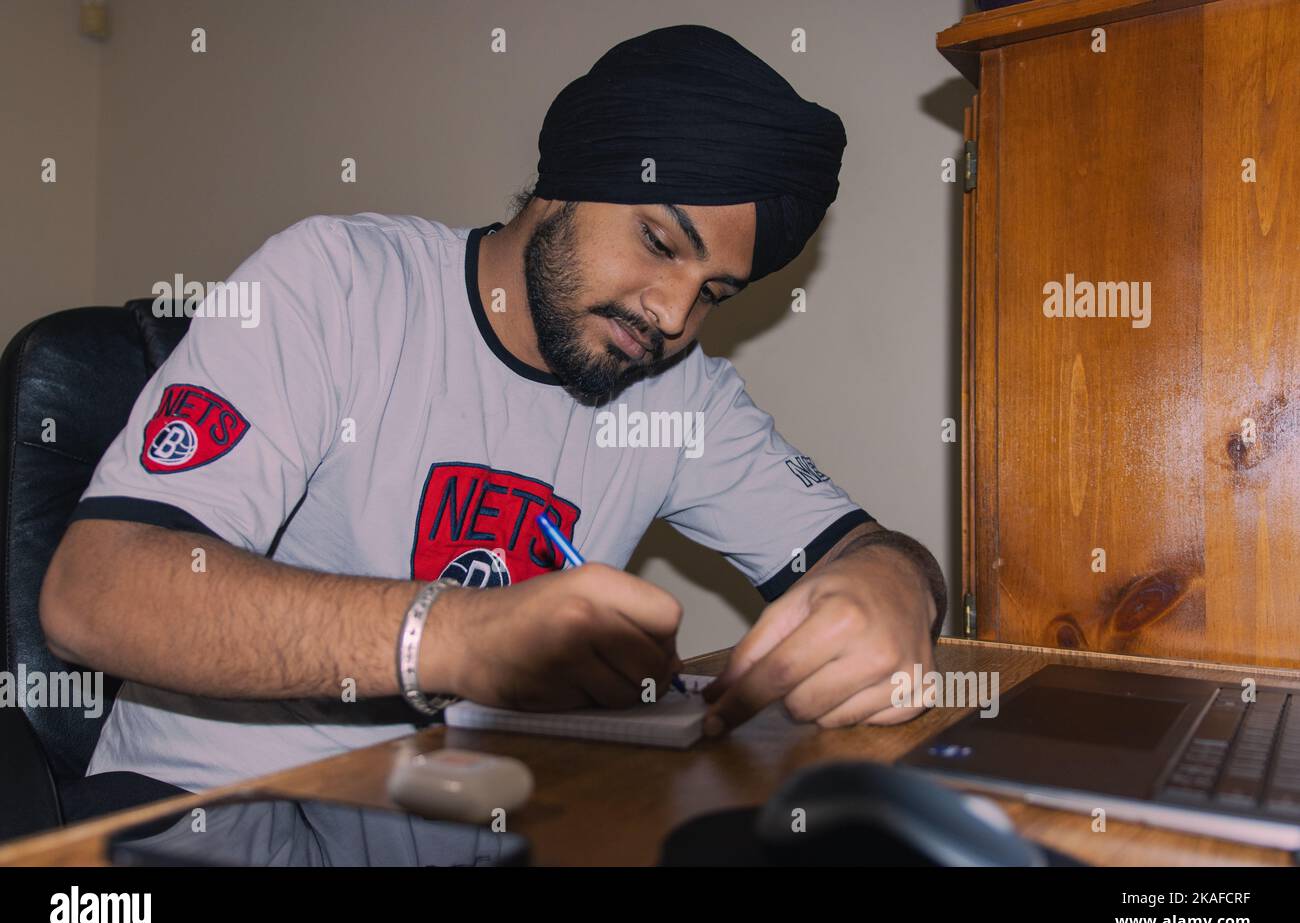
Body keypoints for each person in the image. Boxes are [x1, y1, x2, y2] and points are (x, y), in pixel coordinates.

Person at [40, 25, 946, 829]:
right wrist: (457, 635)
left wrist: (898, 588)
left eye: (714, 293)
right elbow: (95, 594)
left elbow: (865, 550)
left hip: (467, 820)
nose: (674, 315)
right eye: (661, 244)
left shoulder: (683, 400)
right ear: (563, 185)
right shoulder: (338, 284)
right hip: (206, 813)